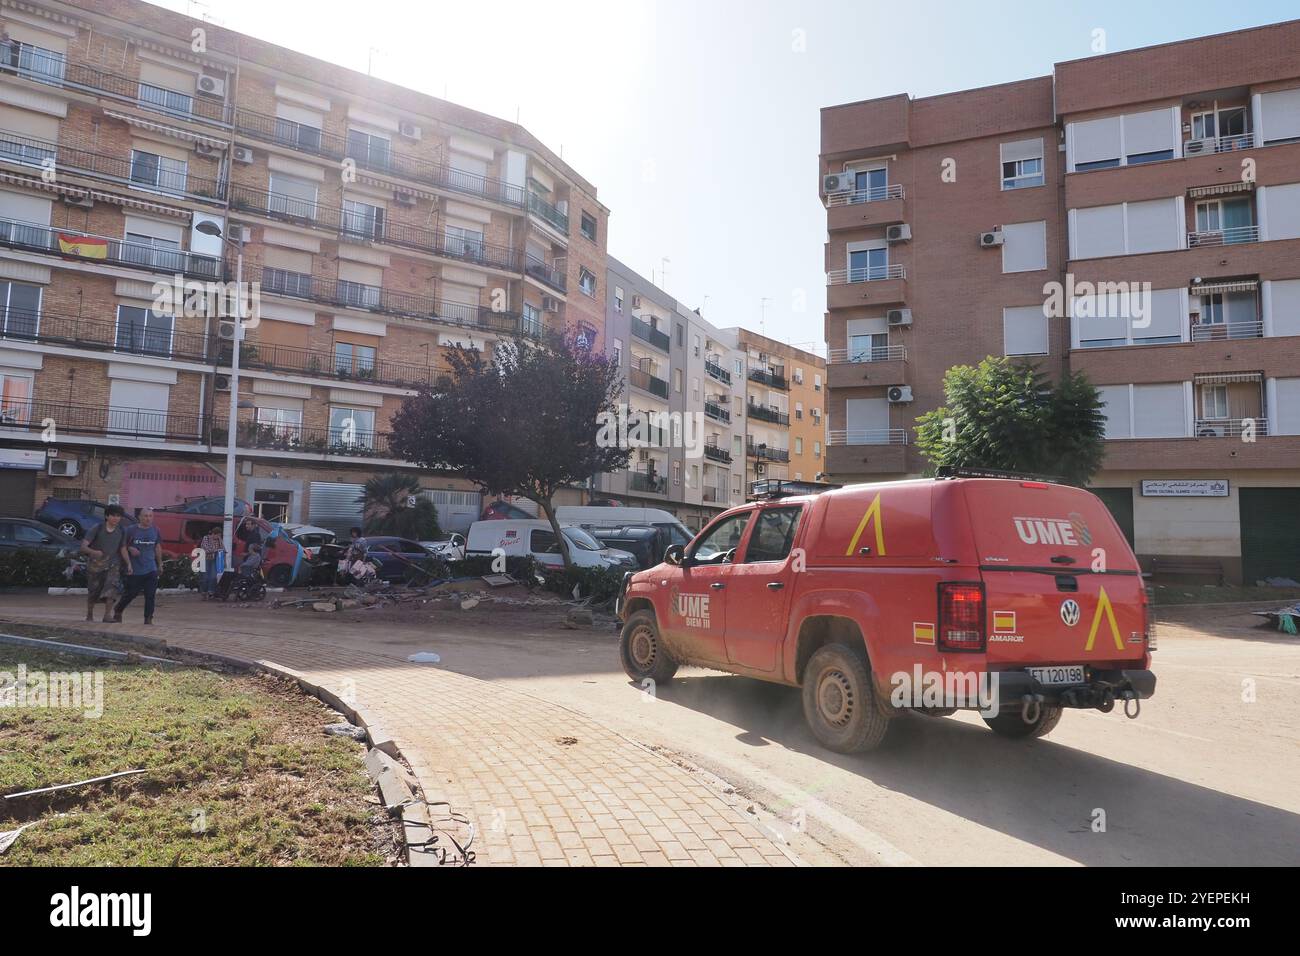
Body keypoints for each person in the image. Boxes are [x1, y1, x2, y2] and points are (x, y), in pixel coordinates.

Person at [80, 504, 129, 623]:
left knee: (112, 588)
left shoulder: (122, 530)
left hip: (113, 564)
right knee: (94, 591)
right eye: (113, 515)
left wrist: (128, 564)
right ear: (107, 516)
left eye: (118, 516)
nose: (116, 518)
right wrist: (93, 552)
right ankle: (89, 614)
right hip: (96, 565)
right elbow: (83, 547)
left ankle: (107, 615)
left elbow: (123, 548)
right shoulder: (97, 528)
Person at [113, 507, 162, 625]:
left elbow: (157, 547)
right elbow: (122, 546)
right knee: (131, 593)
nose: (148, 519)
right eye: (145, 516)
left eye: (150, 516)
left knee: (150, 595)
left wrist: (160, 564)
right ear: (139, 517)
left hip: (151, 568)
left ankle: (148, 618)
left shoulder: (155, 530)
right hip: (134, 569)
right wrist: (130, 549)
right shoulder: (131, 530)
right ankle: (118, 610)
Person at [199, 527, 222, 599]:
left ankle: (210, 591)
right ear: (214, 534)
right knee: (205, 577)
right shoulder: (206, 538)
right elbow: (205, 548)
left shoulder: (218, 540)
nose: (218, 537)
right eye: (218, 535)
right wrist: (215, 550)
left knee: (213, 576)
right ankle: (204, 592)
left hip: (214, 559)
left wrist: (220, 542)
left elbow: (222, 549)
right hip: (205, 559)